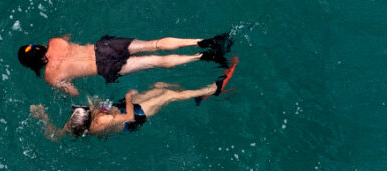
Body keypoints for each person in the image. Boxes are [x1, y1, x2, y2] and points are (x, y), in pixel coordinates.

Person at [29, 58, 237, 140]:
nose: (86, 109)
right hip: (133, 116)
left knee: (160, 87)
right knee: (167, 95)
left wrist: (43, 116)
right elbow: (127, 115)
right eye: (88, 112)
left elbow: (54, 135)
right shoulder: (101, 121)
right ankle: (211, 89)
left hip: (119, 109)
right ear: (90, 120)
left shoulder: (75, 123)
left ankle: (197, 96)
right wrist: (128, 97)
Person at [18, 33, 232, 96]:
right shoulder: (55, 42)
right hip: (104, 48)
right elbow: (67, 36)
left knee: (155, 62)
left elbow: (73, 92)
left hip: (105, 68)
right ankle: (202, 41)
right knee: (154, 43)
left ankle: (200, 57)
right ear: (38, 47)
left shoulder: (50, 77)